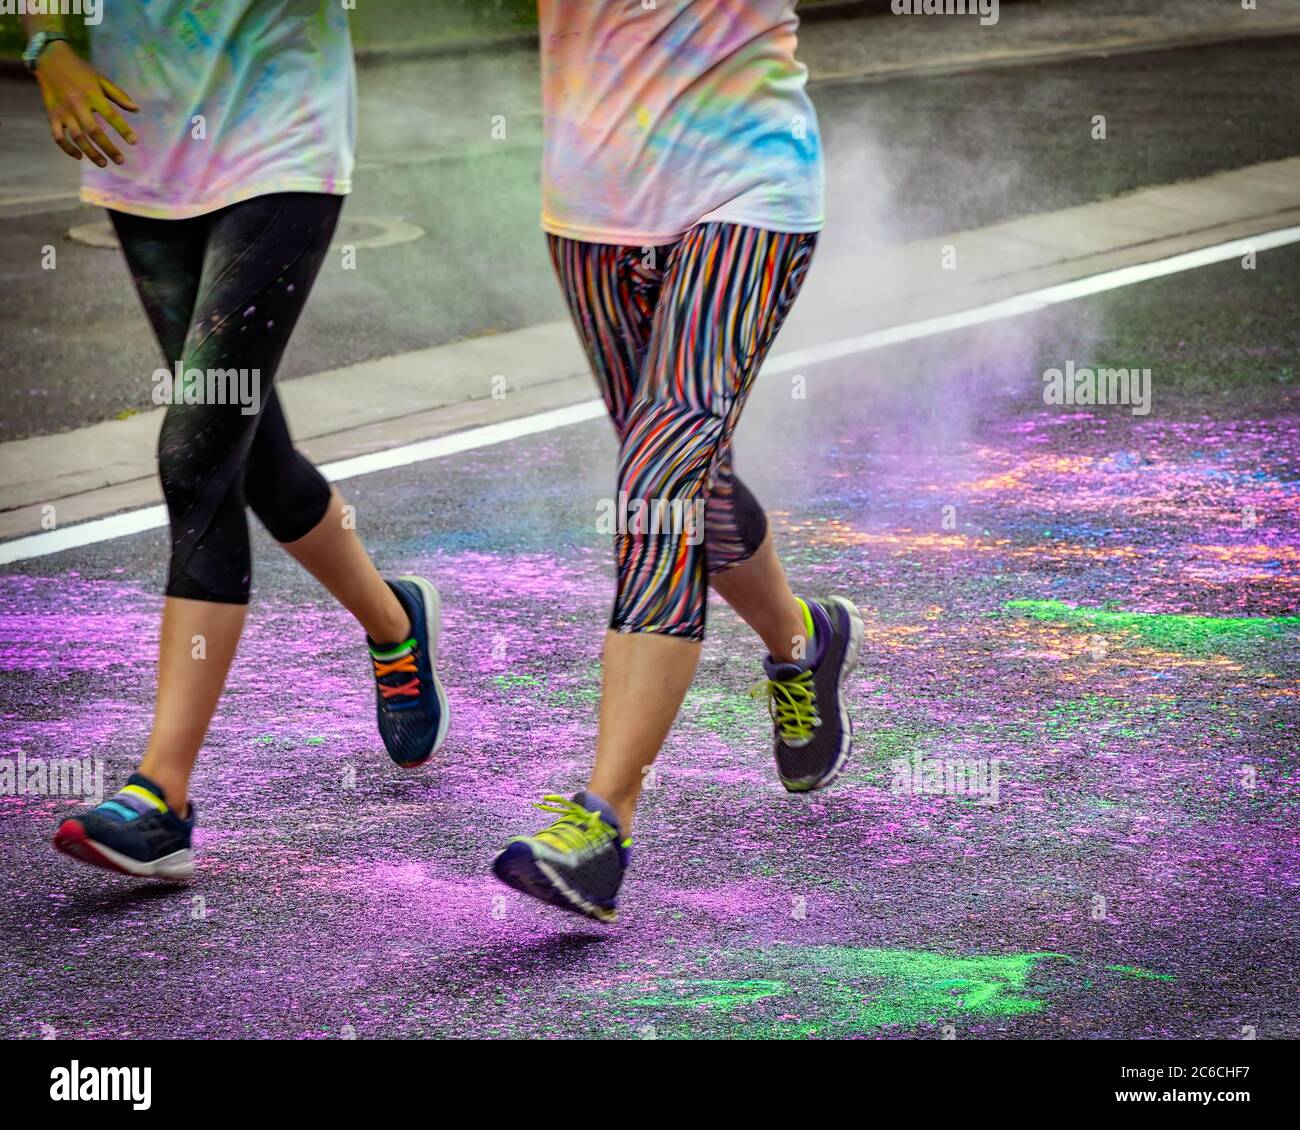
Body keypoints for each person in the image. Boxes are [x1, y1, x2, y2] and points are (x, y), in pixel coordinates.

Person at [21, 2, 448, 880]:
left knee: (198, 449)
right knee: (256, 457)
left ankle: (161, 798)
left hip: (278, 136)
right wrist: (48, 43)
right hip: (137, 138)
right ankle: (395, 623)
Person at [493, 0, 863, 922]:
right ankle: (800, 641)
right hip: (592, 204)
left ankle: (602, 820)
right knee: (680, 474)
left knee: (657, 484)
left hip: (748, 185)